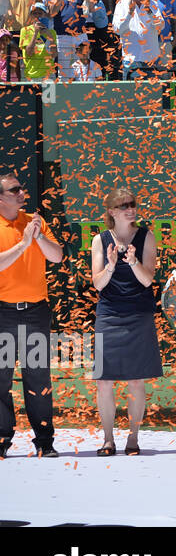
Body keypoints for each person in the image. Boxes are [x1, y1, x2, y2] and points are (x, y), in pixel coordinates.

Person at [88, 187, 161, 457]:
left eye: (132, 204)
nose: (130, 209)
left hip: (138, 315)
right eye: (123, 206)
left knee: (135, 381)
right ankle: (108, 440)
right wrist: (110, 265)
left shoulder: (146, 237)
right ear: (111, 212)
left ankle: (133, 438)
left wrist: (132, 262)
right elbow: (98, 284)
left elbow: (147, 280)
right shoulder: (100, 240)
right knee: (104, 381)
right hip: (109, 315)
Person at [0, 171, 64, 457]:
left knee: (38, 378)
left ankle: (44, 440)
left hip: (36, 311)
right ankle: (2, 438)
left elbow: (57, 256)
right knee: (1, 378)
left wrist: (37, 238)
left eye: (21, 188)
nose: (21, 192)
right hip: (2, 313)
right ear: (1, 197)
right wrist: (24, 244)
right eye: (14, 190)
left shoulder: (35, 222)